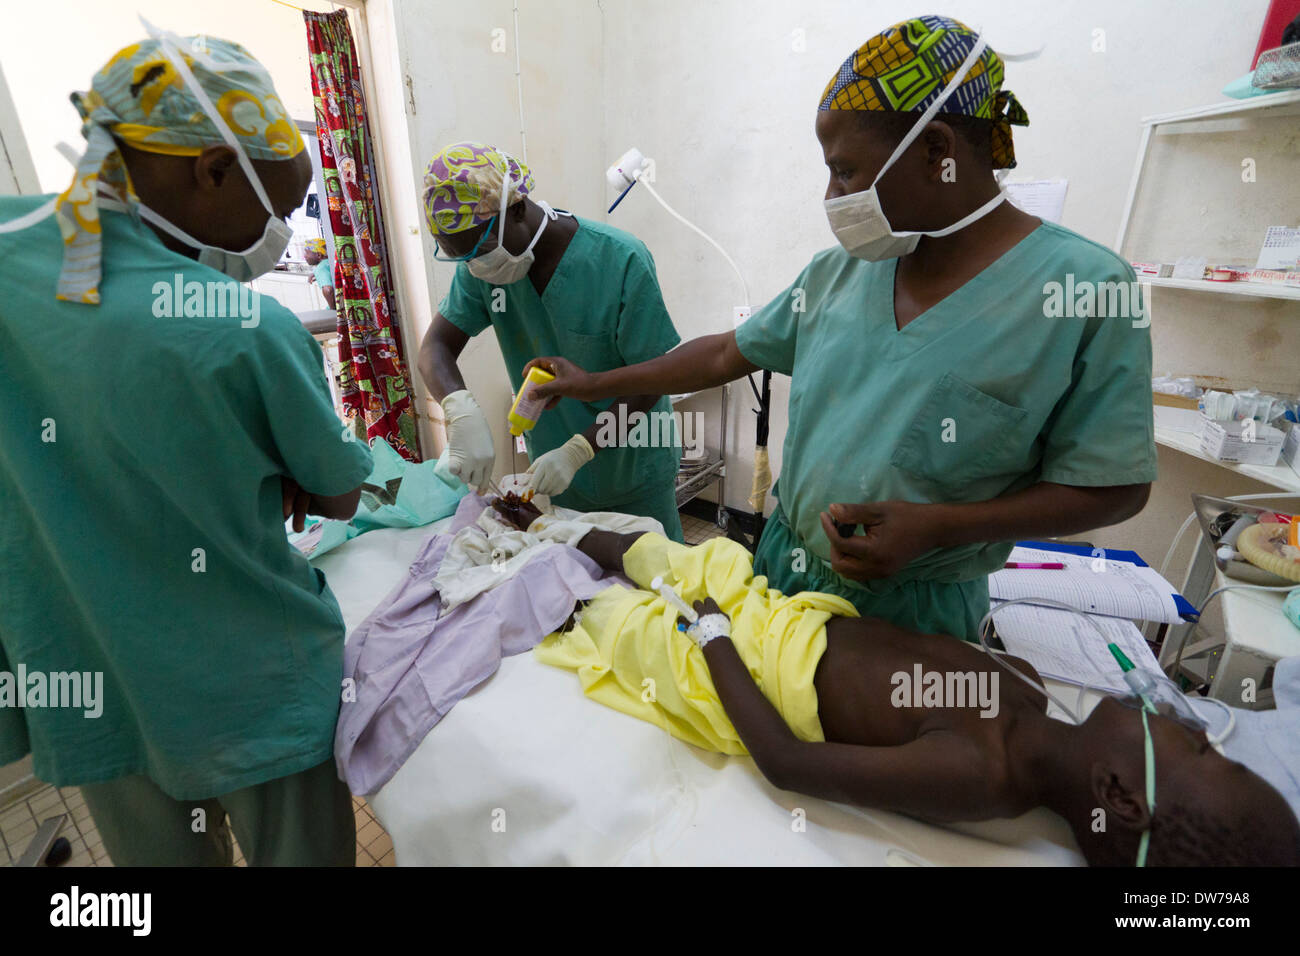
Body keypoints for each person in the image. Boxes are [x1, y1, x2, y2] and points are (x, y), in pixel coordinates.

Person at [525, 15, 1156, 640]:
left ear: (937, 151)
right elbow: (723, 355)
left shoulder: (1083, 292)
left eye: (846, 171)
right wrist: (594, 382)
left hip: (911, 615)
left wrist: (939, 527)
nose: (832, 195)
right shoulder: (839, 274)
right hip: (781, 575)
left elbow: (1114, 488)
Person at [0, 29, 371, 865]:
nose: (278, 235)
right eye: (277, 208)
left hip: (96, 677)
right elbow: (340, 494)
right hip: (250, 687)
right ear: (210, 168)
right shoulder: (246, 329)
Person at [490, 499, 1300, 867]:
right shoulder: (1029, 701)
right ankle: (542, 521)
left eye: (1193, 746)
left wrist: (712, 639)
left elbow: (785, 762)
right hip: (787, 618)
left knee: (616, 624)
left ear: (1122, 797)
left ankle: (531, 567)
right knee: (675, 556)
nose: (1181, 721)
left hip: (756, 674)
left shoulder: (982, 773)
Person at [417, 142, 685, 541]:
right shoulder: (480, 269)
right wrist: (459, 409)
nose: (478, 266)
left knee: (655, 587)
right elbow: (435, 348)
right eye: (465, 258)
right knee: (572, 591)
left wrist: (580, 450)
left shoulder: (620, 260)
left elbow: (651, 381)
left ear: (519, 208)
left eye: (484, 249)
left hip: (632, 477)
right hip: (554, 486)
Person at [305, 236, 335, 310]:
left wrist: (333, 310)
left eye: (307, 253)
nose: (304, 256)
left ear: (319, 255)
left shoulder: (321, 268)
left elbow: (328, 290)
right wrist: (314, 273)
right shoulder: (331, 262)